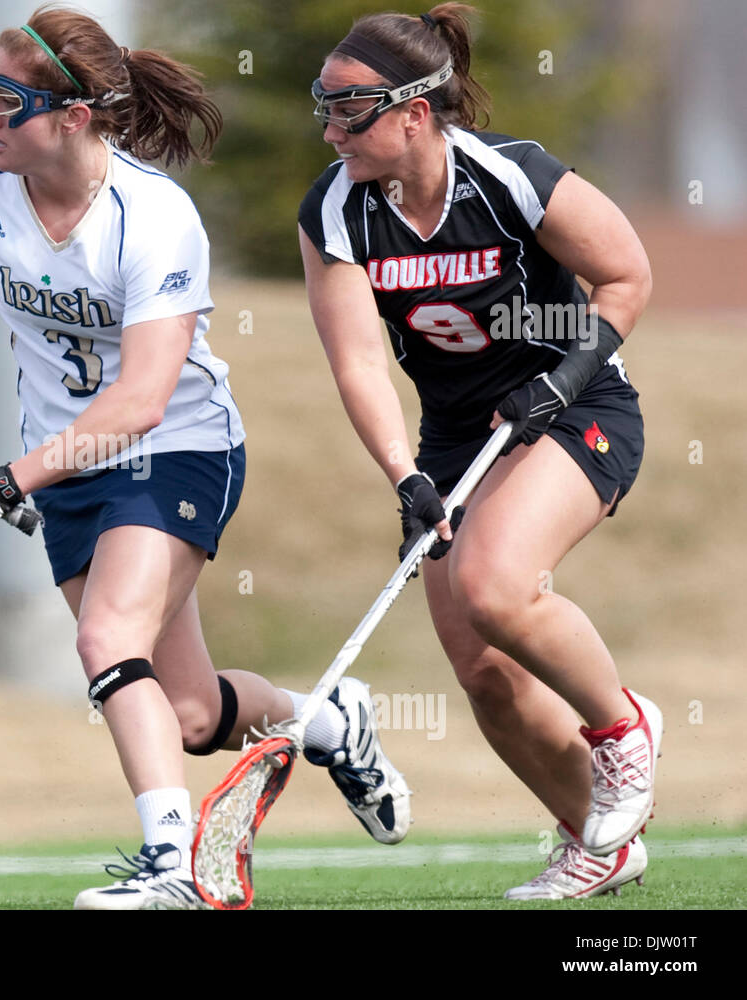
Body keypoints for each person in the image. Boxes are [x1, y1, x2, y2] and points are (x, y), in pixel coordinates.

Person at [0, 4, 411, 909]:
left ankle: (176, 867)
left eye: (4, 99)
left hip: (177, 448)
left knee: (104, 641)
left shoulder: (153, 216)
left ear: (74, 116)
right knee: (194, 714)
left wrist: (14, 476)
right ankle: (326, 721)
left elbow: (142, 401)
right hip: (71, 465)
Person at [298, 3, 660, 899]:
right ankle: (598, 843)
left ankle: (621, 732)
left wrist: (564, 379)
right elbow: (358, 362)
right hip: (459, 438)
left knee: (495, 586)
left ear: (415, 113)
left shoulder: (510, 176)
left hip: (574, 407)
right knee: (485, 672)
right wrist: (405, 474)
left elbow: (627, 277)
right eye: (326, 107)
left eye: (352, 110)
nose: (332, 129)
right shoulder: (338, 211)